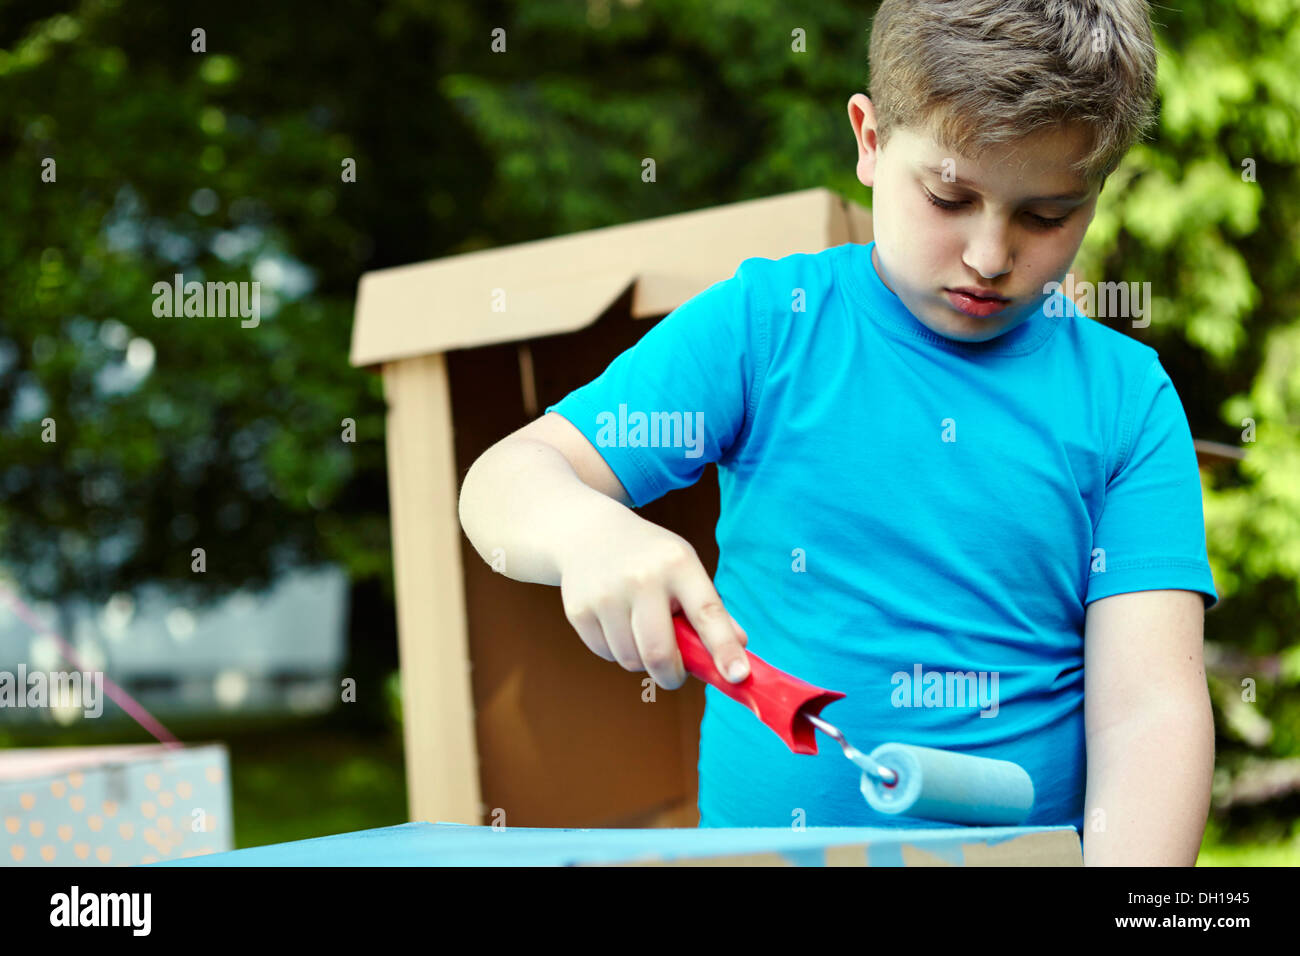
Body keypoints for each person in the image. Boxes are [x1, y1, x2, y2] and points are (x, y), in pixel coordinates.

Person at [458, 0, 1217, 865]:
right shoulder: (767, 326)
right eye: (949, 195)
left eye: (1048, 216)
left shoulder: (1125, 399)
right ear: (869, 138)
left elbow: (1149, 709)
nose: (990, 256)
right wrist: (584, 529)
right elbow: (505, 481)